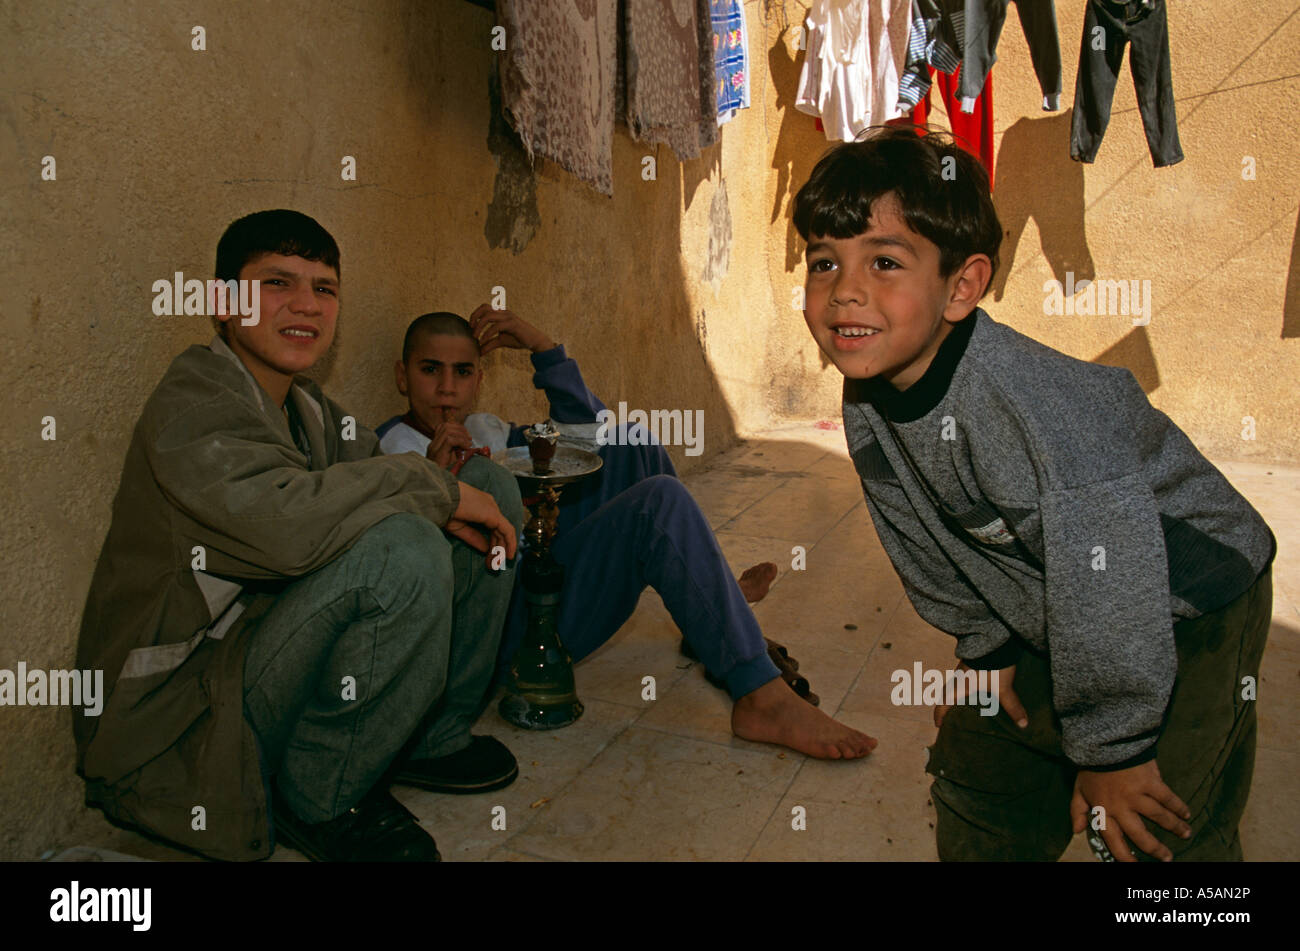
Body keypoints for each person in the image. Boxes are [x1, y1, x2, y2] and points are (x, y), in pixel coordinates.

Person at [793, 126, 1276, 861]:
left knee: (1154, 826)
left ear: (963, 286)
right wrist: (986, 647)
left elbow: (1108, 567)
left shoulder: (1026, 409)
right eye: (824, 262)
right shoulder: (866, 398)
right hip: (1056, 598)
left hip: (1192, 593)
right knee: (981, 773)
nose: (844, 291)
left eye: (884, 261)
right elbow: (922, 539)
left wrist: (1116, 749)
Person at [73, 210, 525, 863]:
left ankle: (434, 735)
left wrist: (449, 477)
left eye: (324, 288)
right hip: (180, 721)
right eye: (277, 284)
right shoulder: (194, 400)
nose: (306, 305)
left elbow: (376, 473)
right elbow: (285, 529)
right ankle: (321, 798)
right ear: (224, 303)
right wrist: (431, 489)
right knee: (407, 546)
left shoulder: (308, 407)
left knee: (492, 487)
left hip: (255, 662)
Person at [376, 308, 877, 760]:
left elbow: (591, 435)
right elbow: (405, 567)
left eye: (462, 372)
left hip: (542, 584)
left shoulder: (487, 430)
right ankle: (757, 693)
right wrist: (434, 481)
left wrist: (544, 348)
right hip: (506, 636)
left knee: (631, 442)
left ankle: (709, 609)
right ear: (402, 376)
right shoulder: (388, 452)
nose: (446, 388)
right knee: (658, 504)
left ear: (479, 379)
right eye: (429, 370)